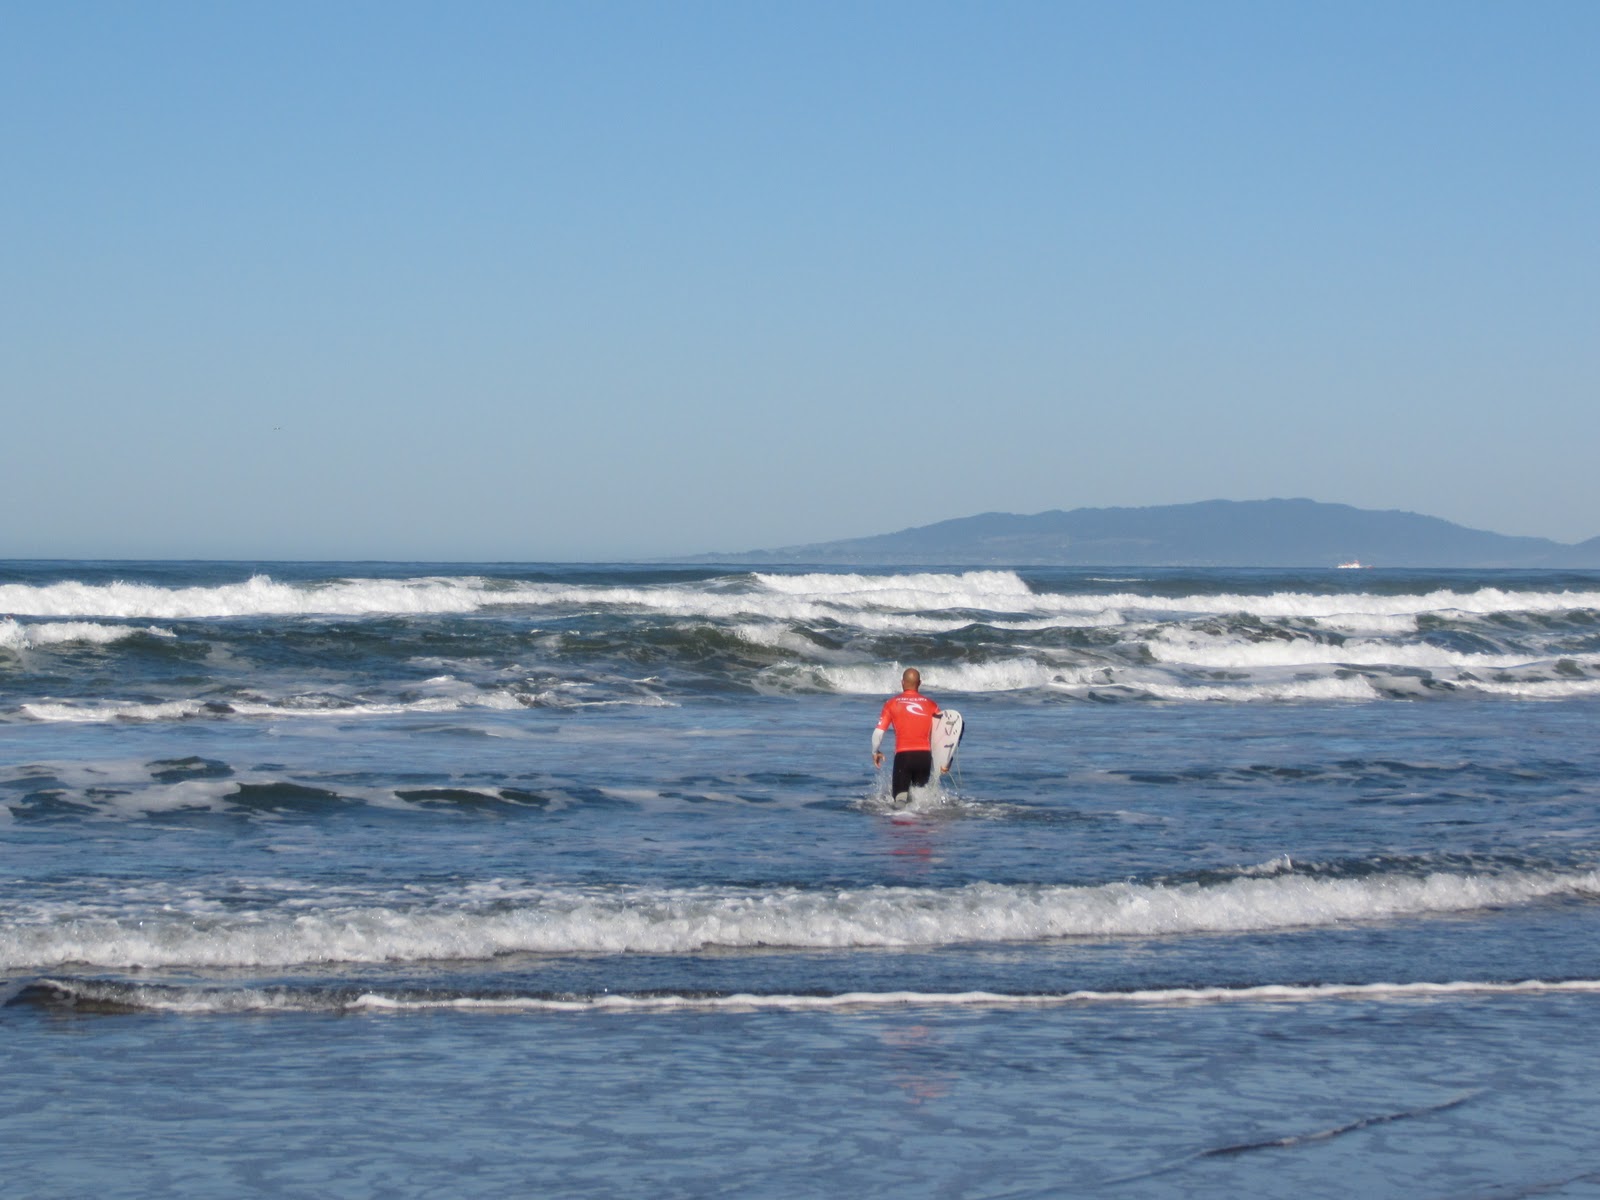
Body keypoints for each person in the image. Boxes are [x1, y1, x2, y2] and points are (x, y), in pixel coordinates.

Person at [872, 667, 946, 803]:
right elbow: (942, 735)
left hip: (904, 757)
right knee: (922, 802)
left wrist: (875, 751)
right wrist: (944, 761)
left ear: (902, 682)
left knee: (899, 801)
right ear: (920, 683)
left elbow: (879, 732)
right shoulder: (932, 705)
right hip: (925, 758)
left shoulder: (892, 704)